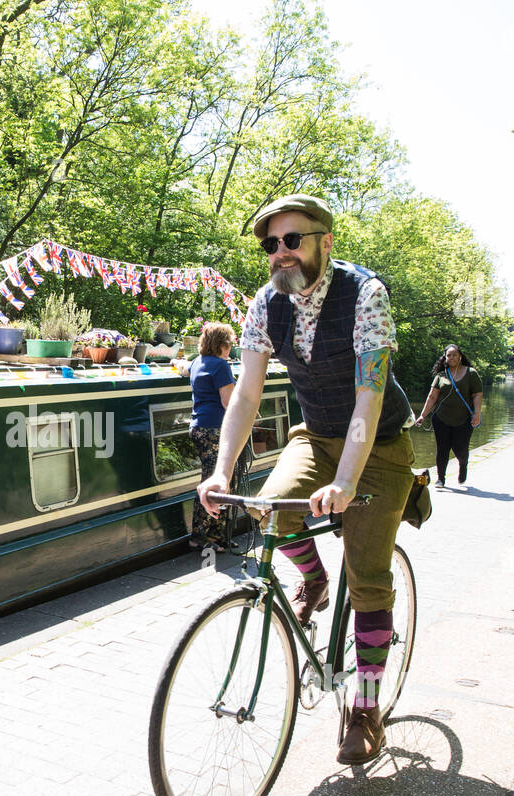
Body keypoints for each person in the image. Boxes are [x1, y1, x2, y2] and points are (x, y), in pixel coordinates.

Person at [198, 193, 415, 766]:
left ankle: (366, 710)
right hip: (316, 434)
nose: (280, 254)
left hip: (379, 444)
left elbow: (369, 395)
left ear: (326, 242)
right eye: (271, 244)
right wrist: (222, 469)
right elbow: (245, 394)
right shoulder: (264, 305)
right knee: (269, 508)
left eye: (292, 240)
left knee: (369, 578)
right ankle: (314, 581)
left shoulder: (365, 295)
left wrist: (345, 483)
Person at [187, 321, 237, 550]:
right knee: (215, 482)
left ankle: (216, 533)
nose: (231, 349)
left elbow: (184, 368)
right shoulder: (220, 366)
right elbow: (229, 402)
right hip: (216, 428)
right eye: (230, 344)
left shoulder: (197, 362)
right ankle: (201, 535)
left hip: (199, 426)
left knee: (214, 479)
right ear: (222, 345)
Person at [415, 344, 482, 488]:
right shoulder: (441, 376)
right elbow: (432, 397)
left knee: (461, 449)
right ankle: (441, 479)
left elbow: (477, 395)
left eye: (454, 355)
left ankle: (463, 464)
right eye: (449, 355)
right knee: (442, 448)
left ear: (460, 356)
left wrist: (477, 413)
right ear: (445, 358)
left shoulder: (471, 373)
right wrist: (422, 415)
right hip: (441, 418)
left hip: (463, 420)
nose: (451, 357)